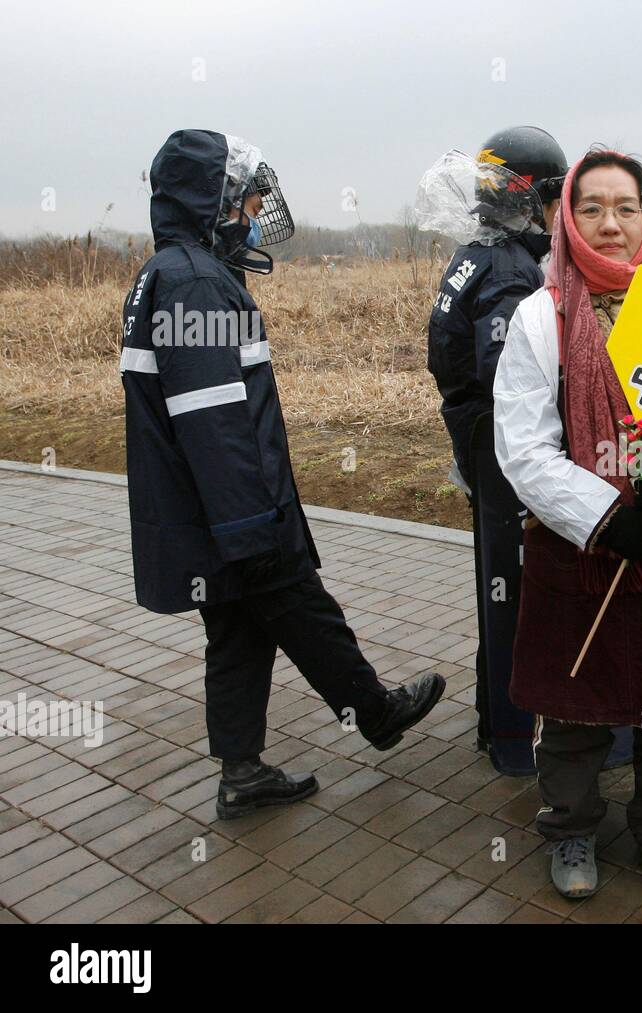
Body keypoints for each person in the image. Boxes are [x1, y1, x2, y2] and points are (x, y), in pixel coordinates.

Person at [120, 129, 444, 820]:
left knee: (238, 631)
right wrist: (250, 525)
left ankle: (242, 771)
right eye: (249, 202)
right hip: (232, 510)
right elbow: (211, 418)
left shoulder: (172, 271)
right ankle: (376, 711)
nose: (254, 216)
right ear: (216, 201)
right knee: (302, 605)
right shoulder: (197, 284)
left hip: (204, 510)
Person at [492, 148, 642, 899]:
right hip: (581, 548)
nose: (610, 223)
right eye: (591, 206)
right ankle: (570, 829)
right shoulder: (542, 316)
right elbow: (523, 448)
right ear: (567, 217)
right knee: (574, 705)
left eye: (626, 207)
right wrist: (605, 515)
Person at [427, 126, 638, 778]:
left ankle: (501, 728)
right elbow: (510, 370)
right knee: (522, 602)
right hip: (509, 462)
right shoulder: (510, 271)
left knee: (500, 598)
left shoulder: (474, 253)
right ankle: (521, 744)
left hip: (483, 450)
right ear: (540, 199)